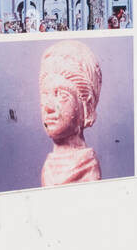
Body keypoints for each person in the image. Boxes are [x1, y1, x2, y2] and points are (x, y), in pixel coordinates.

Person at [38, 41, 103, 186]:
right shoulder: (49, 165)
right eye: (45, 94)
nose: (48, 107)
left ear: (86, 108)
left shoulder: (87, 167)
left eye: (61, 95)